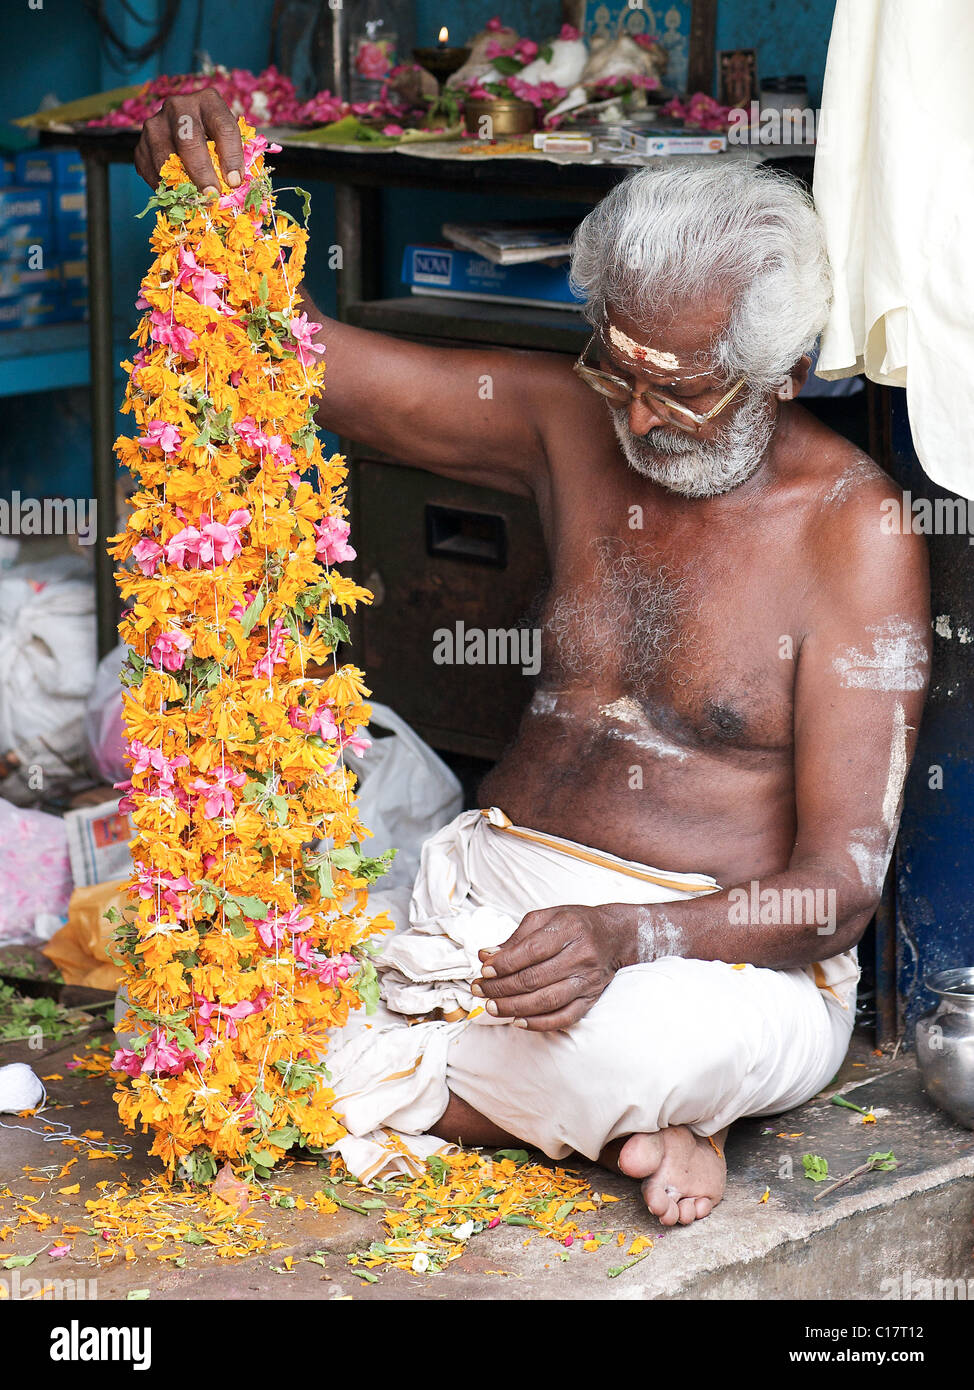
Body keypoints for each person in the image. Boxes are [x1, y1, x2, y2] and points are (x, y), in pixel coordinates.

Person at [134, 95, 929, 1226]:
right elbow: (315, 370)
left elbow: (836, 890)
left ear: (784, 369)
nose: (643, 419)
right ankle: (629, 1128)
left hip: (712, 957)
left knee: (622, 1053)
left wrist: (626, 935)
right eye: (619, 368)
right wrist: (215, 214)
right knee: (190, 1011)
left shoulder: (853, 533)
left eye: (686, 390)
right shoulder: (571, 419)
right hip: (489, 906)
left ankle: (589, 1101)